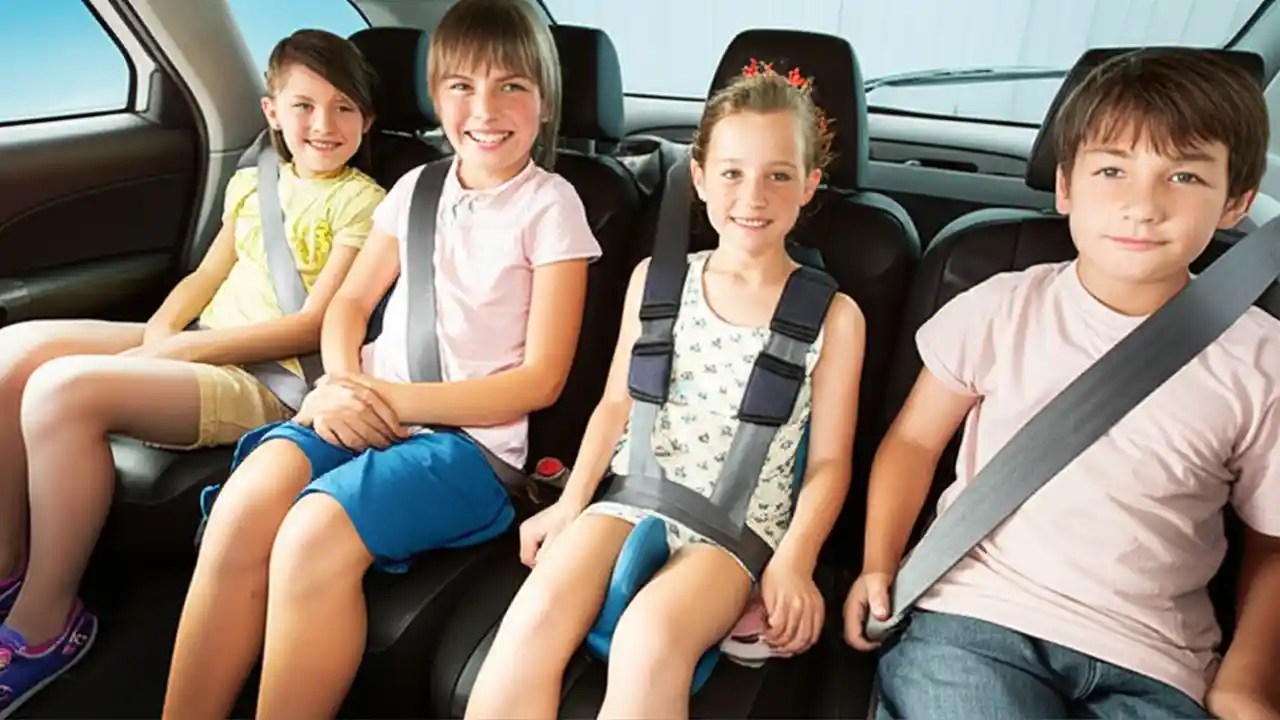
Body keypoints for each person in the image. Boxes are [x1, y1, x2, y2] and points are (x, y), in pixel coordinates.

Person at [161, 1, 601, 718]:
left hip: (471, 449)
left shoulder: (552, 207)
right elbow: (346, 306)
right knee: (243, 506)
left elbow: (540, 380)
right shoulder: (414, 190)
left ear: (545, 101)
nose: (484, 109)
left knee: (312, 532)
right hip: (363, 403)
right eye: (461, 87)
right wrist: (341, 383)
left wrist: (387, 403)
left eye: (511, 87)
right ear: (435, 95)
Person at [844, 48, 1280, 720]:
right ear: (1066, 186)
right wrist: (880, 564)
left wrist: (1245, 682)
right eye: (1112, 170)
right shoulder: (1003, 306)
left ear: (1236, 203)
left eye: (1185, 176)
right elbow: (912, 441)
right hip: (977, 621)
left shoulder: (1260, 358)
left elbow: (1272, 539)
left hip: (1158, 661)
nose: (1143, 206)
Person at [0, 28, 384, 716]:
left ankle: (45, 624)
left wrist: (180, 353)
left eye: (344, 108)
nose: (324, 125)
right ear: (271, 111)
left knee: (63, 391)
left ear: (368, 120)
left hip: (272, 379)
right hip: (205, 342)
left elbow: (311, 327)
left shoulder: (364, 202)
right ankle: (7, 570)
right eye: (303, 106)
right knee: (14, 352)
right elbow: (206, 274)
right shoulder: (252, 180)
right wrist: (160, 334)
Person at [466, 63, 866, 719]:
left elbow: (828, 464)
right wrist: (570, 506)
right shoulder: (658, 280)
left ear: (810, 185)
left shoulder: (836, 318)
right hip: (627, 495)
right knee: (533, 614)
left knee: (650, 639)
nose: (753, 195)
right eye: (732, 173)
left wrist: (794, 561)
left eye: (779, 175)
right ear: (701, 177)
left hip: (733, 533)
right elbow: (617, 405)